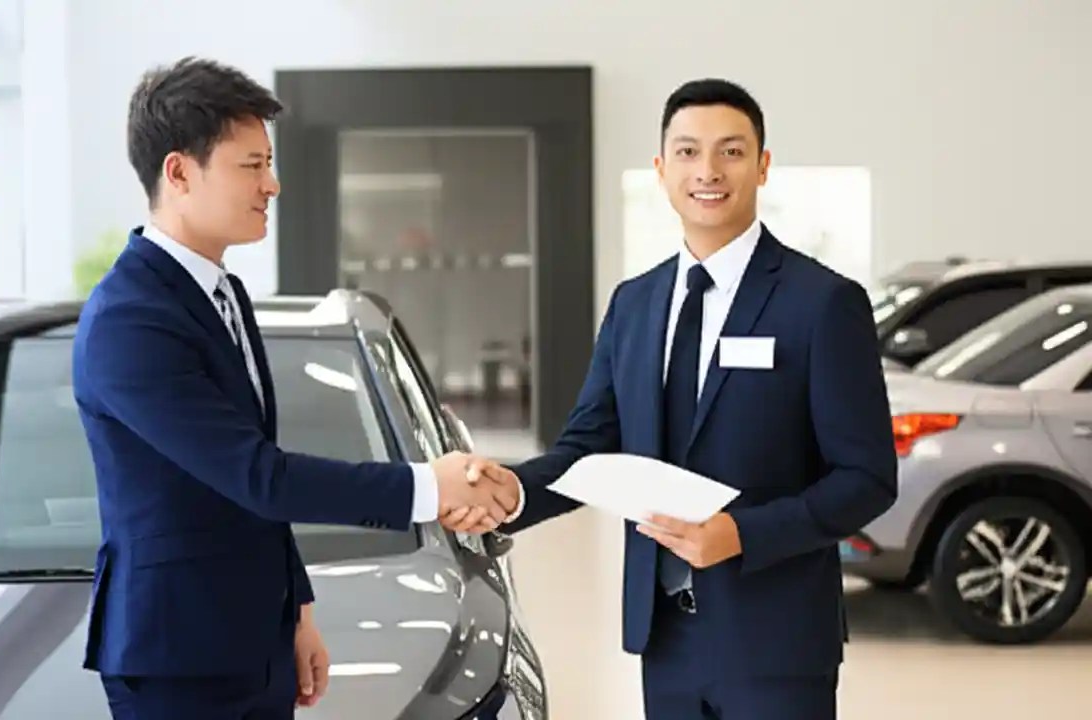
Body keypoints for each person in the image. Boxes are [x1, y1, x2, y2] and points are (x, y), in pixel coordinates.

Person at [71, 57, 522, 720]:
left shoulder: (222, 295)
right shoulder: (129, 320)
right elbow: (260, 476)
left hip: (253, 638)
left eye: (269, 163)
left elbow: (245, 485)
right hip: (179, 658)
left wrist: (295, 608)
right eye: (251, 166)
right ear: (179, 172)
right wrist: (430, 486)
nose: (272, 185)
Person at [454, 78, 897, 719]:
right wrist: (509, 494)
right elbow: (588, 446)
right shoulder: (635, 304)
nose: (708, 171)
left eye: (731, 151)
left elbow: (866, 478)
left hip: (777, 642)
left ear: (763, 165)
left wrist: (741, 534)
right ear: (662, 170)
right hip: (666, 638)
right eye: (687, 153)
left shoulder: (822, 302)